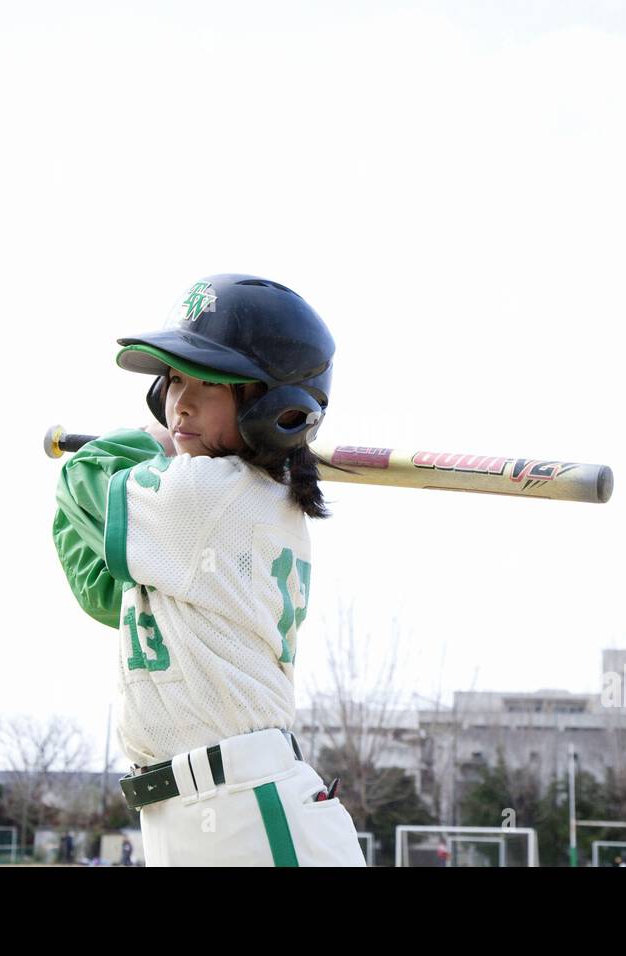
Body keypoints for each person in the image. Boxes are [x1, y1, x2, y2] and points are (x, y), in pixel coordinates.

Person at [53, 274, 364, 867]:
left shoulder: (203, 495)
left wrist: (151, 442)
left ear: (275, 407)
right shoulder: (230, 498)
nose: (180, 403)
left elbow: (80, 479)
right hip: (201, 812)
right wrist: (167, 449)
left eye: (209, 383)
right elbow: (102, 593)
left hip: (246, 813)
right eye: (174, 380)